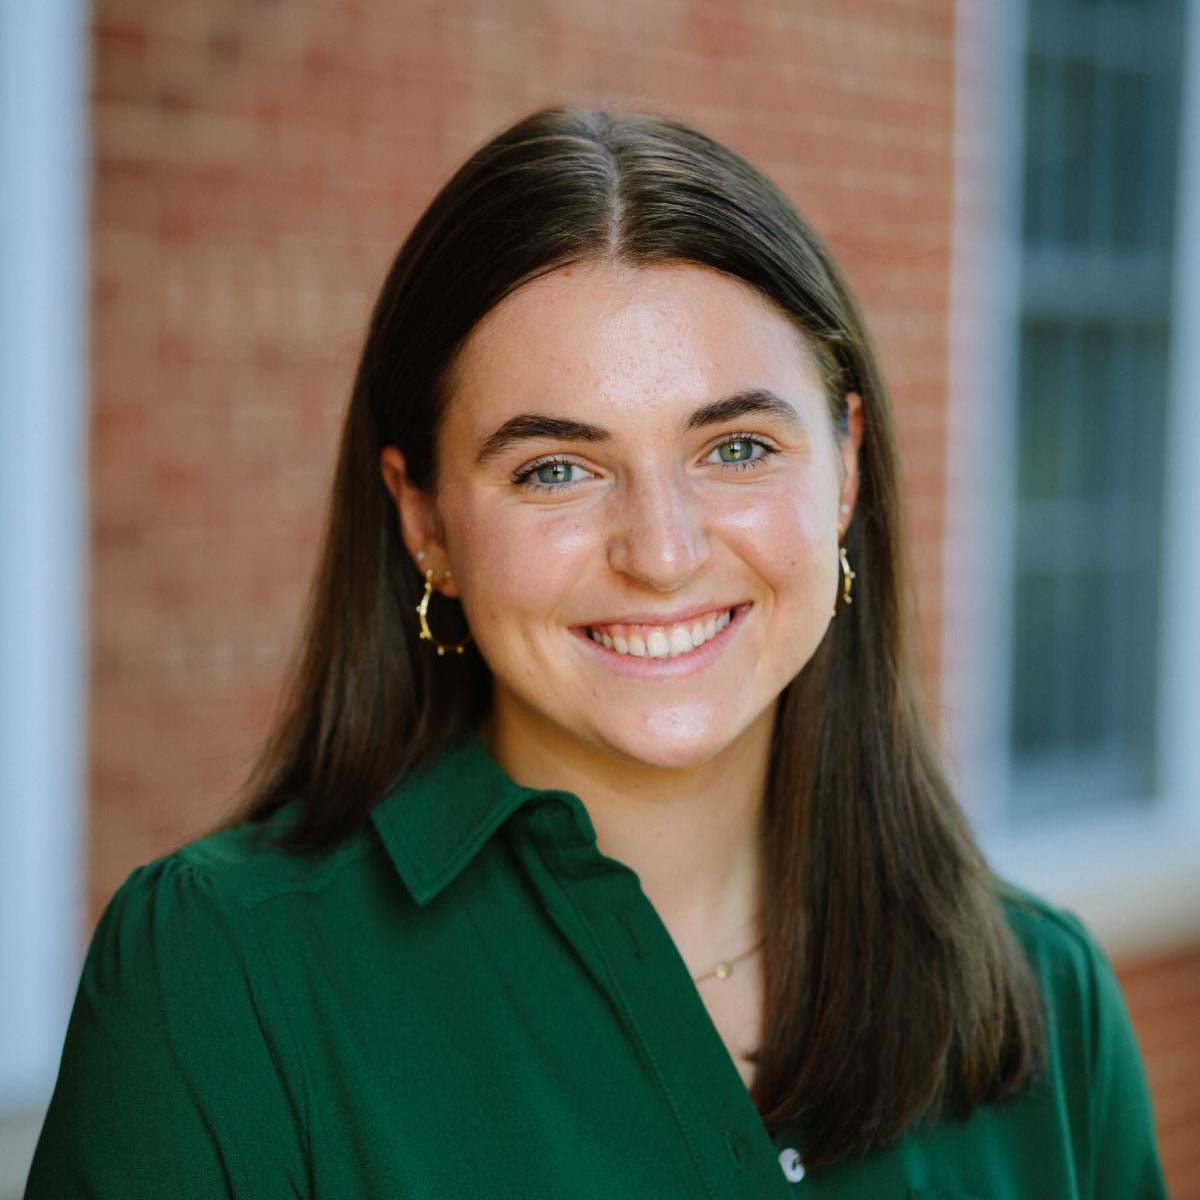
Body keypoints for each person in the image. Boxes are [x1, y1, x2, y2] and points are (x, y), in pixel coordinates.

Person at [26, 105, 1167, 1199]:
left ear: (846, 468)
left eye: (736, 448)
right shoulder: (222, 981)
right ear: (426, 522)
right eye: (556, 470)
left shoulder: (1048, 1001)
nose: (662, 555)